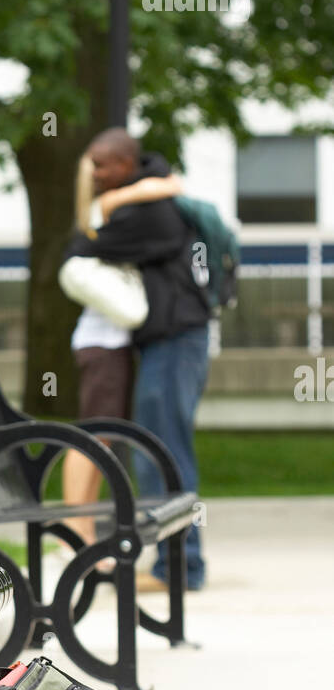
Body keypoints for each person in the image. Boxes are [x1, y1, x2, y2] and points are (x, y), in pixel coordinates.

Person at [62, 128, 210, 591]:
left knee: (162, 451)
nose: (98, 175)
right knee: (160, 448)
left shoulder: (149, 212)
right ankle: (175, 564)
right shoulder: (151, 199)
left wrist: (106, 208)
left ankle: (179, 567)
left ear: (128, 164)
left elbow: (80, 251)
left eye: (104, 167)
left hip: (175, 337)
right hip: (172, 338)